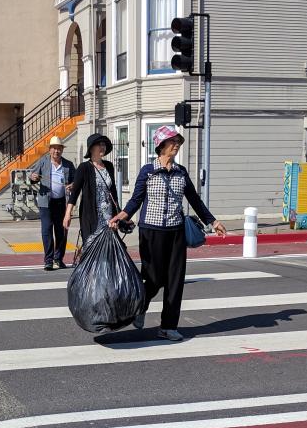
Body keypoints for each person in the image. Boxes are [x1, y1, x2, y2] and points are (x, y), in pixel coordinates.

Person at [108, 125, 227, 342]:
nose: (176, 145)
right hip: (151, 231)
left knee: (175, 280)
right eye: (172, 141)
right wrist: (120, 216)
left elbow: (195, 200)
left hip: (175, 232)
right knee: (154, 277)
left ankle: (168, 326)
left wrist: (213, 221)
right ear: (161, 145)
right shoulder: (148, 170)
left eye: (178, 142)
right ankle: (141, 306)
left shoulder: (181, 172)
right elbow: (136, 200)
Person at [64, 133, 122, 245]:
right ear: (91, 148)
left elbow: (113, 193)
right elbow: (74, 193)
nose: (102, 147)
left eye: (103, 144)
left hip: (109, 215)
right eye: (99, 144)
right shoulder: (84, 167)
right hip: (91, 216)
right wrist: (68, 214)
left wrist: (118, 215)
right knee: (92, 247)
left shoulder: (109, 166)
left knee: (109, 247)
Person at [29, 136, 76, 270]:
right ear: (49, 150)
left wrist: (72, 185)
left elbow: (76, 180)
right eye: (54, 148)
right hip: (46, 202)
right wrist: (33, 177)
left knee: (61, 231)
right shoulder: (43, 162)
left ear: (62, 150)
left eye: (59, 148)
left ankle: (58, 259)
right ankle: (48, 260)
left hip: (62, 202)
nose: (56, 151)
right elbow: (32, 176)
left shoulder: (68, 164)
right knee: (47, 230)